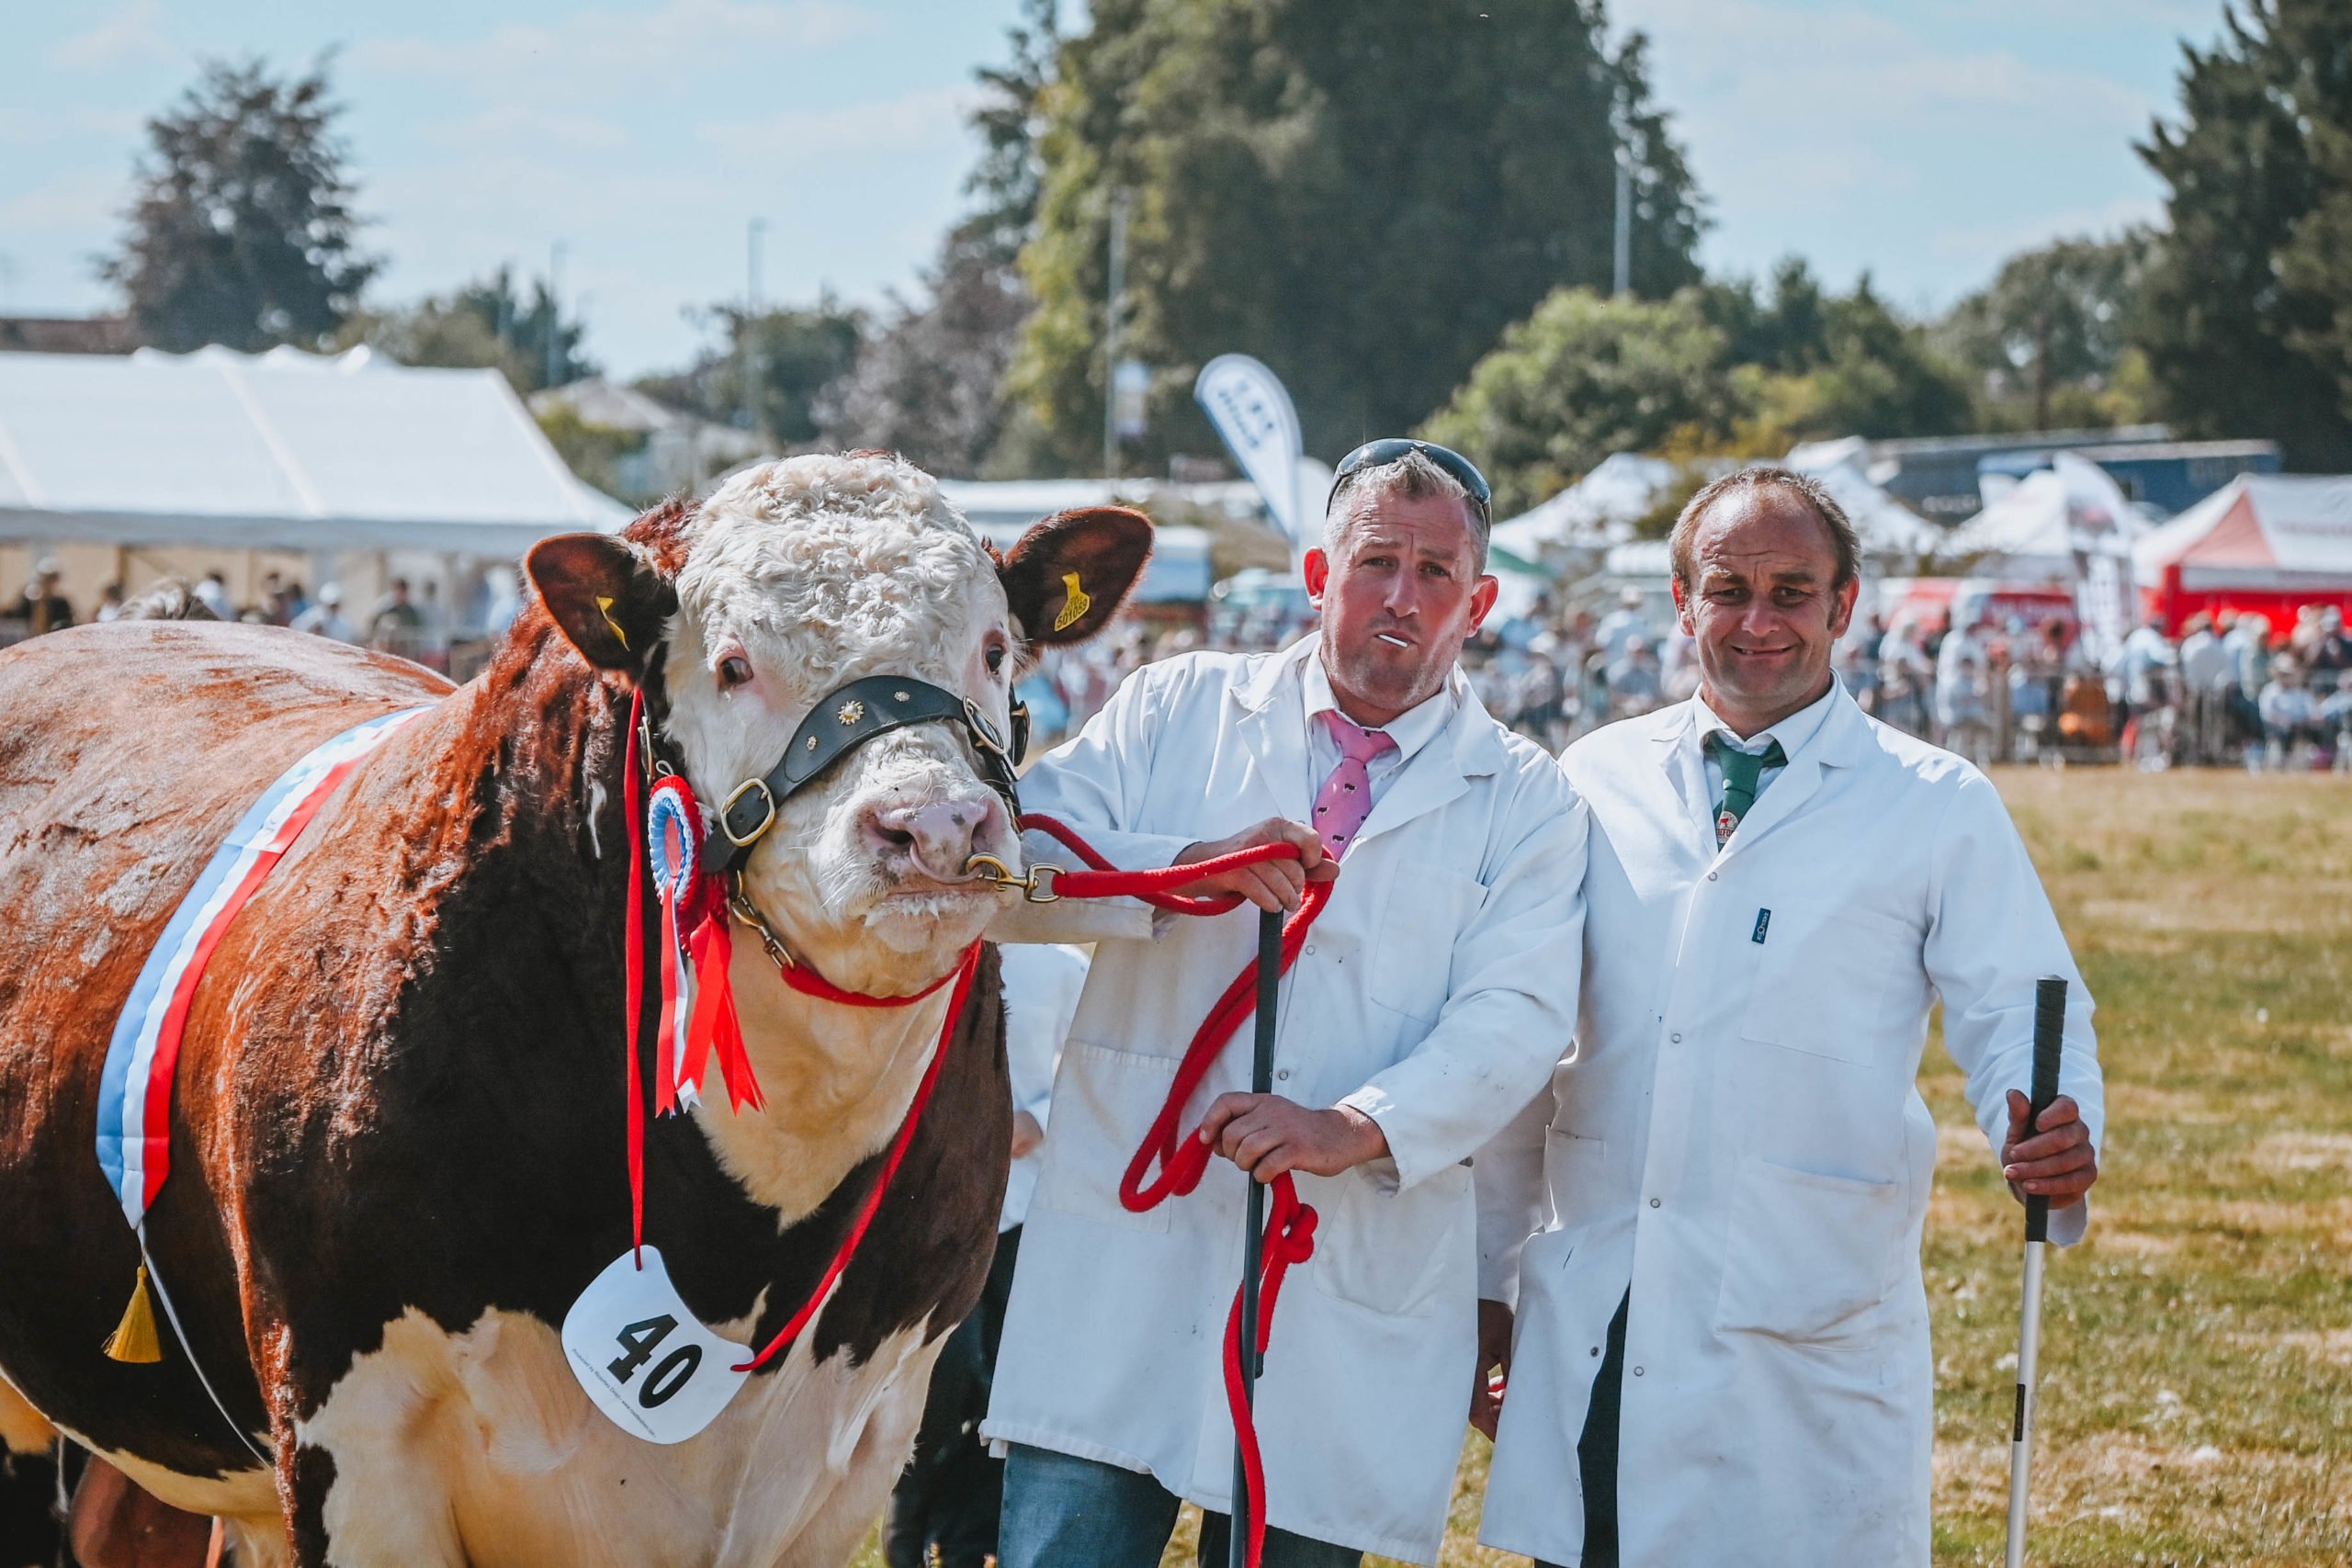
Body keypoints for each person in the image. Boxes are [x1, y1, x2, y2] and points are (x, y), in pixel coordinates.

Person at [1476, 467, 2104, 1568]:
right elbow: (1524, 1048)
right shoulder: (1592, 779)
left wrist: (2049, 1124)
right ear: (1680, 602)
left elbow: (2023, 1004)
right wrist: (1489, 1278)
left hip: (1808, 1309)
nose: (1757, 621)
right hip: (1605, 1302)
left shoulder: (1932, 802)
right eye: (1727, 590)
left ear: (1844, 605)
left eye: (1792, 591)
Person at [982, 439, 1589, 1568]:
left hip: (1343, 1263)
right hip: (1131, 1258)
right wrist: (1176, 867)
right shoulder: (1176, 707)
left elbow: (1517, 1017)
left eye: (1436, 573)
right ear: (1318, 576)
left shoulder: (1526, 800)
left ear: (1481, 601)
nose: (1402, 599)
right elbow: (1010, 856)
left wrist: (1353, 1127)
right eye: (1375, 563)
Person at [886, 942, 1090, 1568]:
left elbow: (1092, 1074)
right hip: (932, 1212)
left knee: (1005, 1380)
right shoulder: (926, 952)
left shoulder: (1063, 968)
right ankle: (906, 1520)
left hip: (1024, 1205)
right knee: (948, 1375)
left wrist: (1039, 1118)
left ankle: (972, 1538)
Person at [16, 558, 74, 636]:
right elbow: (18, 619)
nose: (50, 584)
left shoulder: (61, 603)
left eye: (53, 580)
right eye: (47, 580)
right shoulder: (28, 600)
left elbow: (67, 622)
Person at [292, 583, 356, 643]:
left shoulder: (343, 623)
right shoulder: (313, 616)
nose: (333, 608)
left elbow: (345, 639)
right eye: (332, 605)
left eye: (335, 605)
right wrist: (311, 629)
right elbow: (295, 628)